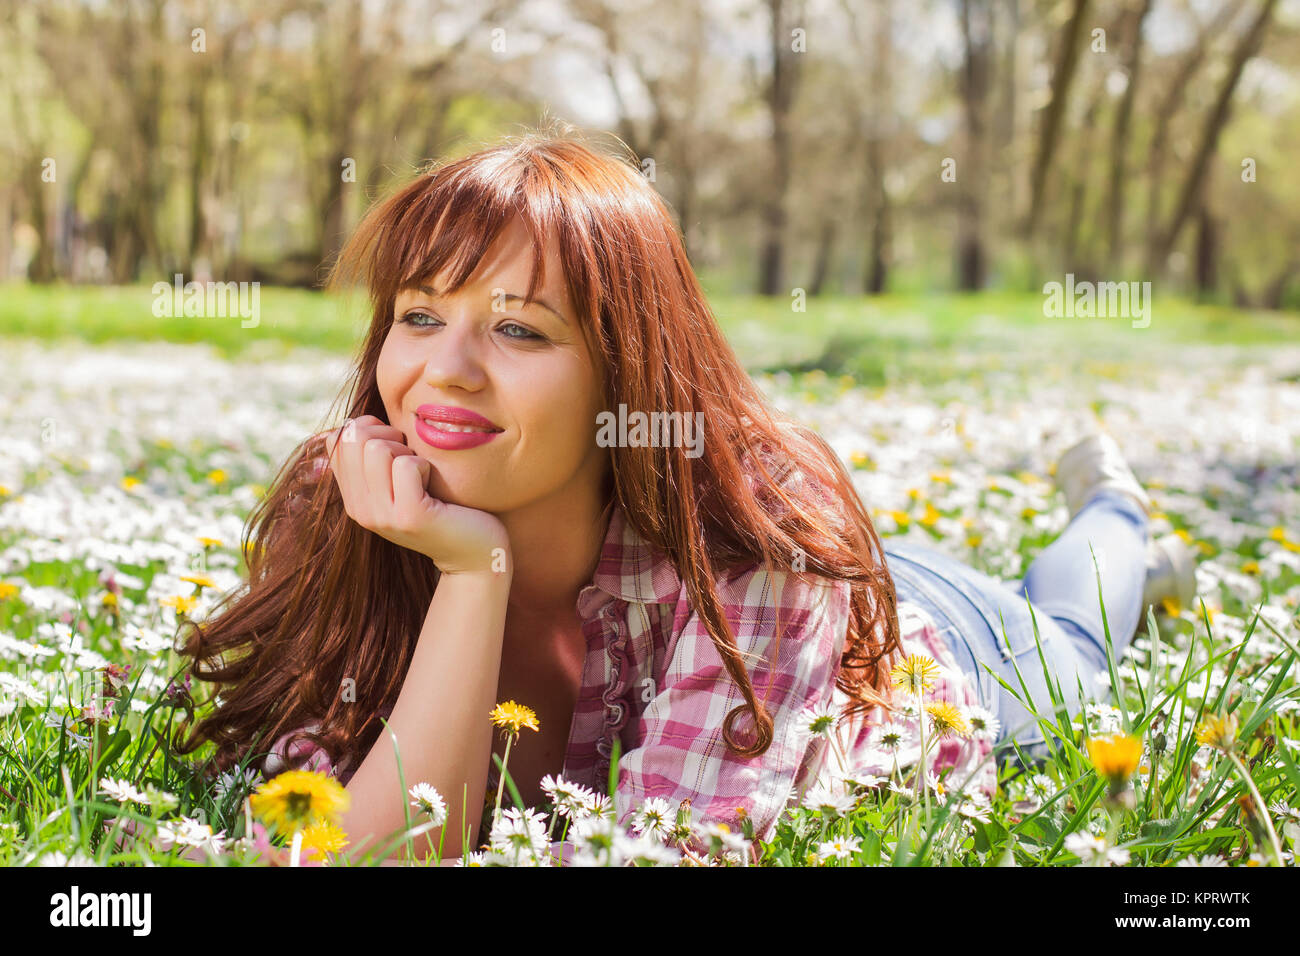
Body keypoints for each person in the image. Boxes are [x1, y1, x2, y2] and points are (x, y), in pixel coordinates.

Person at [174, 127, 1196, 865]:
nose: (446, 372)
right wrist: (469, 565)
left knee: (1073, 636)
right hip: (795, 577)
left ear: (624, 370)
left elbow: (675, 847)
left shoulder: (759, 547)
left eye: (520, 329)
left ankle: (1115, 519)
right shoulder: (351, 501)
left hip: (913, 649)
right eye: (419, 315)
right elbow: (354, 850)